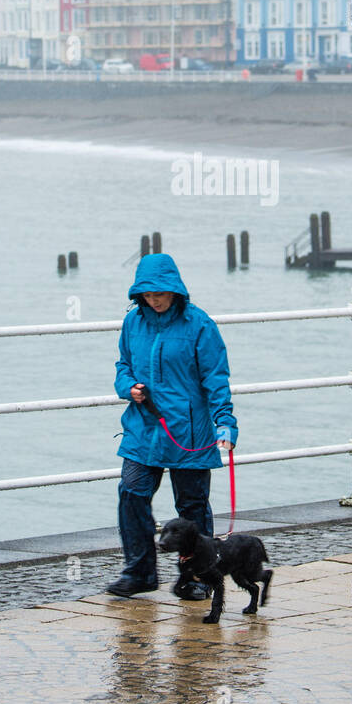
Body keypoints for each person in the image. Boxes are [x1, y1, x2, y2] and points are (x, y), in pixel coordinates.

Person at [106, 253, 238, 598]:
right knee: (131, 494)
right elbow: (123, 365)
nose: (155, 301)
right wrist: (128, 387)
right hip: (142, 428)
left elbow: (216, 378)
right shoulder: (132, 323)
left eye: (160, 294)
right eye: (148, 295)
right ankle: (139, 572)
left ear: (175, 290)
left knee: (192, 507)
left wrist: (225, 422)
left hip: (188, 431)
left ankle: (198, 577)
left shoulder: (200, 325)